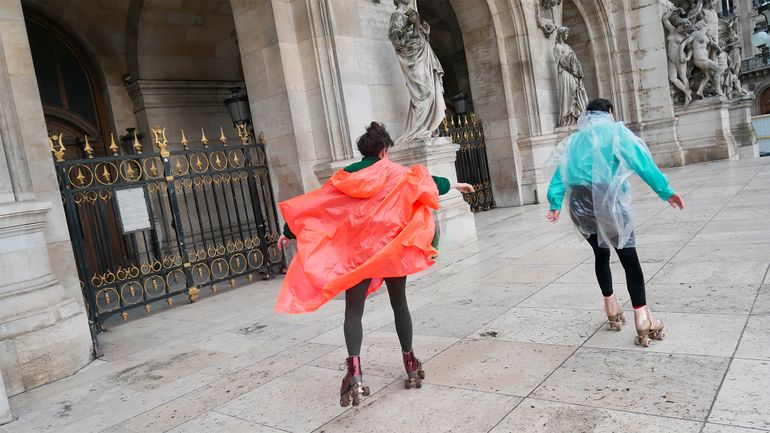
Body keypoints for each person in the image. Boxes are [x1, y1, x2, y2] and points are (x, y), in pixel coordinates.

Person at [276, 122, 473, 406]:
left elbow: (318, 206)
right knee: (399, 303)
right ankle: (410, 365)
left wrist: (288, 232)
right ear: (383, 150)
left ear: (364, 151)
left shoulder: (344, 177)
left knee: (353, 310)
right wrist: (456, 185)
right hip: (391, 251)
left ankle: (355, 374)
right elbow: (429, 183)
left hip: (356, 256)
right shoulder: (397, 173)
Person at [545, 98, 684, 347]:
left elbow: (560, 174)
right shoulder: (617, 133)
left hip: (579, 204)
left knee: (600, 254)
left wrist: (555, 203)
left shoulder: (574, 140)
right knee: (629, 260)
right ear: (609, 112)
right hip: (608, 201)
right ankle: (642, 317)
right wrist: (665, 190)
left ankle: (611, 306)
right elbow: (642, 162)